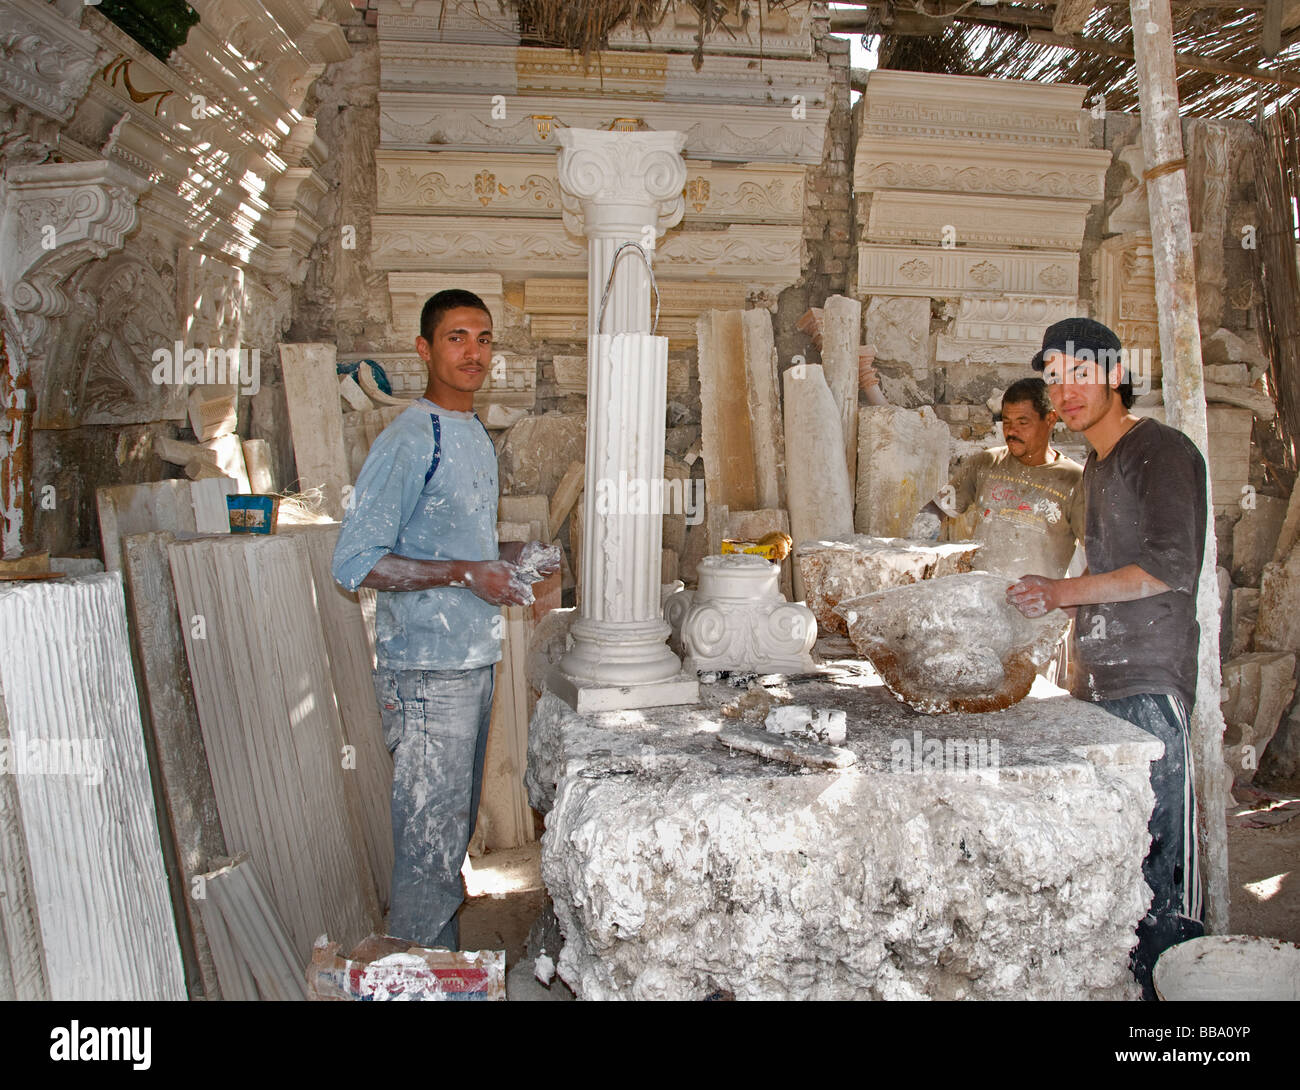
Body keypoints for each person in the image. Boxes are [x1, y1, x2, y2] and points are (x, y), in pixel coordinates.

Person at [331, 288, 558, 949]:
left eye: (484, 338)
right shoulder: (408, 439)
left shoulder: (472, 436)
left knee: (447, 840)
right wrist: (465, 574)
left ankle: (434, 972)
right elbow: (354, 562)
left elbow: (463, 550)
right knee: (429, 851)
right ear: (425, 350)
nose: (474, 352)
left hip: (471, 663)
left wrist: (518, 557)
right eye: (457, 337)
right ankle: (417, 978)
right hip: (426, 672)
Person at [1006, 317, 1207, 999]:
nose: (1065, 392)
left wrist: (1063, 588)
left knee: (1163, 876)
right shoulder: (1096, 466)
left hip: (1151, 683)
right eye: (1055, 379)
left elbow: (1167, 566)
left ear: (1117, 375)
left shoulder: (1160, 450)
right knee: (1120, 871)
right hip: (1101, 684)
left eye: (1081, 374)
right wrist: (1047, 608)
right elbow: (1104, 575)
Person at [909, 377, 1085, 581]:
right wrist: (916, 542)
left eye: (1022, 422)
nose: (1011, 431)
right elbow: (938, 507)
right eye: (1007, 422)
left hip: (1039, 606)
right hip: (983, 600)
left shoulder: (1074, 481)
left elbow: (1099, 553)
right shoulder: (985, 464)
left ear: (1050, 420)